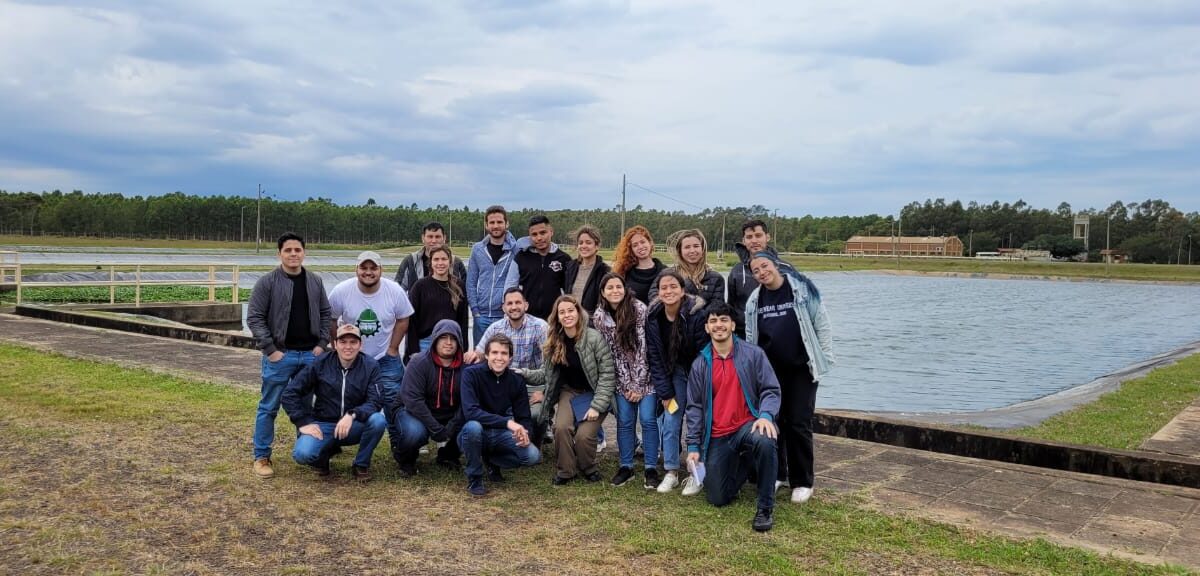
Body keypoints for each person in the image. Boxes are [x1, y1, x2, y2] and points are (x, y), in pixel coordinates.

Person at [745, 251, 834, 505]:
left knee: (798, 423)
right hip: (770, 372)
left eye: (765, 266)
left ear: (776, 265)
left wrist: (823, 359)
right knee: (774, 422)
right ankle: (778, 474)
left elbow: (822, 324)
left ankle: (803, 481)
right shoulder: (755, 299)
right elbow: (752, 336)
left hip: (801, 369)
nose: (762, 272)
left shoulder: (802, 290)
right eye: (756, 270)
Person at [685, 301, 781, 532]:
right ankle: (746, 463)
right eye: (713, 321)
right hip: (717, 435)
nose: (719, 325)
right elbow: (695, 407)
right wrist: (693, 445)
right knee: (718, 498)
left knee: (766, 441)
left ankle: (765, 508)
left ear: (733, 325)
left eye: (724, 320)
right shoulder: (700, 364)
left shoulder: (753, 354)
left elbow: (770, 389)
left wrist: (766, 415)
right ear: (707, 328)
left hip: (747, 425)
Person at [246, 232, 331, 479]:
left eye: (297, 250)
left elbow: (325, 313)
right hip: (281, 356)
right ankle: (261, 456)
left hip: (310, 355)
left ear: (304, 253)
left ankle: (307, 451)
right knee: (269, 406)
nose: (293, 254)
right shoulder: (267, 282)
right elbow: (255, 317)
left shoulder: (314, 281)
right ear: (279, 254)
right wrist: (271, 350)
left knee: (306, 406)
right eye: (288, 250)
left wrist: (322, 344)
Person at [520, 295, 615, 485]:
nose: (567, 315)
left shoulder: (594, 338)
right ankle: (566, 470)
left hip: (594, 394)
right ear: (557, 317)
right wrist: (522, 373)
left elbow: (607, 374)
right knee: (561, 427)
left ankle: (588, 467)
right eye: (562, 312)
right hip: (569, 392)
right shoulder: (555, 340)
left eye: (570, 310)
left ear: (578, 313)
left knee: (584, 435)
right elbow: (545, 375)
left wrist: (597, 406)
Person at [281, 324, 388, 482]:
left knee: (378, 420)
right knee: (302, 454)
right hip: (324, 424)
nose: (348, 347)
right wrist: (302, 422)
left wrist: (352, 415)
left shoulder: (371, 366)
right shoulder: (320, 363)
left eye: (353, 342)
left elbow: (376, 401)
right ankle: (324, 455)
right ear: (335, 344)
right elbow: (290, 393)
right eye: (343, 342)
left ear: (360, 345)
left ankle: (360, 464)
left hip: (354, 424)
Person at [591, 273, 660, 489]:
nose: (614, 291)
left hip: (645, 379)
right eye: (609, 288)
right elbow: (610, 354)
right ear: (602, 292)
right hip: (621, 381)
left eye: (618, 286)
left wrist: (638, 386)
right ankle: (626, 466)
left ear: (625, 288)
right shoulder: (600, 317)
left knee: (648, 420)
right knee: (625, 422)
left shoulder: (639, 309)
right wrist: (624, 385)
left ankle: (650, 467)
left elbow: (643, 350)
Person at [645, 270, 708, 493]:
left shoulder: (697, 313)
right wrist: (665, 392)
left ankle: (696, 472)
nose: (669, 291)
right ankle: (671, 470)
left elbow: (705, 351)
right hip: (673, 372)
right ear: (659, 292)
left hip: (699, 371)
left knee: (697, 420)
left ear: (682, 291)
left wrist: (701, 384)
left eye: (673, 286)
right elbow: (654, 356)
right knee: (671, 420)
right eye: (664, 287)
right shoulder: (653, 316)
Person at [328, 250, 412, 414]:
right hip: (353, 358)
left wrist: (393, 348)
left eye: (373, 268)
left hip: (385, 358)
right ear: (356, 270)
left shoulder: (394, 291)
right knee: (353, 402)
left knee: (394, 403)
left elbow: (403, 318)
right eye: (363, 267)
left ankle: (397, 436)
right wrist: (336, 346)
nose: (368, 272)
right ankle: (356, 433)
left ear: (381, 270)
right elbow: (330, 319)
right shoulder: (341, 291)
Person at [457, 334, 543, 496]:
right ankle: (475, 478)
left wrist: (525, 435)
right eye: (495, 353)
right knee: (473, 427)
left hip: (499, 433)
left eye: (504, 353)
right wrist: (508, 423)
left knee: (532, 456)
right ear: (487, 355)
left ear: (510, 358)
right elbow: (471, 412)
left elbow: (524, 417)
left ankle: (492, 461)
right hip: (472, 432)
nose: (499, 358)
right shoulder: (471, 374)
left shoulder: (516, 380)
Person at [464, 287, 550, 437]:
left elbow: (552, 366)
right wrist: (469, 357)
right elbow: (480, 354)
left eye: (518, 302)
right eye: (509, 303)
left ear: (526, 305)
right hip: (505, 384)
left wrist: (545, 393)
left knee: (536, 414)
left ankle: (537, 437)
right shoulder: (495, 328)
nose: (514, 307)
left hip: (532, 385)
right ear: (503, 307)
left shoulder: (540, 327)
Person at [389, 319, 467, 476]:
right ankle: (406, 459)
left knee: (471, 422)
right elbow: (413, 400)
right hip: (412, 411)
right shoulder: (419, 362)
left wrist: (452, 426)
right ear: (435, 340)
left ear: (459, 341)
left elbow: (468, 401)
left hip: (448, 414)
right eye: (443, 337)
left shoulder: (467, 367)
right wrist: (435, 428)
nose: (449, 342)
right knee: (415, 432)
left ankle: (448, 455)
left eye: (453, 338)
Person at [728, 219, 796, 337]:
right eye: (749, 237)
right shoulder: (736, 272)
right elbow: (730, 308)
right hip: (745, 339)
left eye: (758, 235)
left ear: (767, 237)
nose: (754, 241)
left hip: (782, 337)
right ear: (744, 241)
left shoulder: (787, 269)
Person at [466, 205, 520, 346]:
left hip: (505, 315)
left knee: (504, 357)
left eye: (500, 222)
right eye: (492, 222)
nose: (496, 226)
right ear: (486, 225)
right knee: (481, 359)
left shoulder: (515, 250)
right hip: (481, 316)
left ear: (506, 224)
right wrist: (475, 311)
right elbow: (471, 281)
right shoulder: (478, 249)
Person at [404, 245, 470, 360]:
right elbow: (412, 321)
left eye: (444, 259)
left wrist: (463, 349)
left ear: (450, 262)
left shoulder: (458, 286)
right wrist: (413, 350)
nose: (440, 263)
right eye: (436, 259)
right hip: (425, 343)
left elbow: (463, 320)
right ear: (431, 263)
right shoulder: (420, 286)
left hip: (450, 342)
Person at [515, 214, 572, 320]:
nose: (539, 238)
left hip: (555, 320)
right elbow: (511, 286)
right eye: (534, 234)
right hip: (527, 320)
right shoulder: (521, 257)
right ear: (530, 236)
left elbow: (569, 291)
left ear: (551, 232)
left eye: (543, 233)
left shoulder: (564, 259)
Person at [649, 229, 725, 305]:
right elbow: (653, 296)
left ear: (703, 250)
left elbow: (718, 308)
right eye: (687, 247)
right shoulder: (667, 274)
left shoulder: (716, 278)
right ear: (680, 252)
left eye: (696, 246)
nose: (692, 250)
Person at [395, 221, 467, 291]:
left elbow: (465, 290)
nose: (434, 241)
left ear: (444, 238)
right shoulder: (410, 261)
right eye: (430, 237)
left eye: (437, 237)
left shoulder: (456, 262)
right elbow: (398, 290)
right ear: (423, 238)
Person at [563, 225, 611, 314]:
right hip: (571, 321)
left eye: (588, 242)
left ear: (597, 246)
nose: (583, 246)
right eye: (580, 243)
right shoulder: (570, 267)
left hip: (592, 324)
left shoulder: (605, 271)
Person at [612, 225, 665, 304]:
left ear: (650, 243)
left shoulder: (665, 272)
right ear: (631, 250)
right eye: (635, 245)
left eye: (643, 242)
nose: (640, 247)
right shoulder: (624, 273)